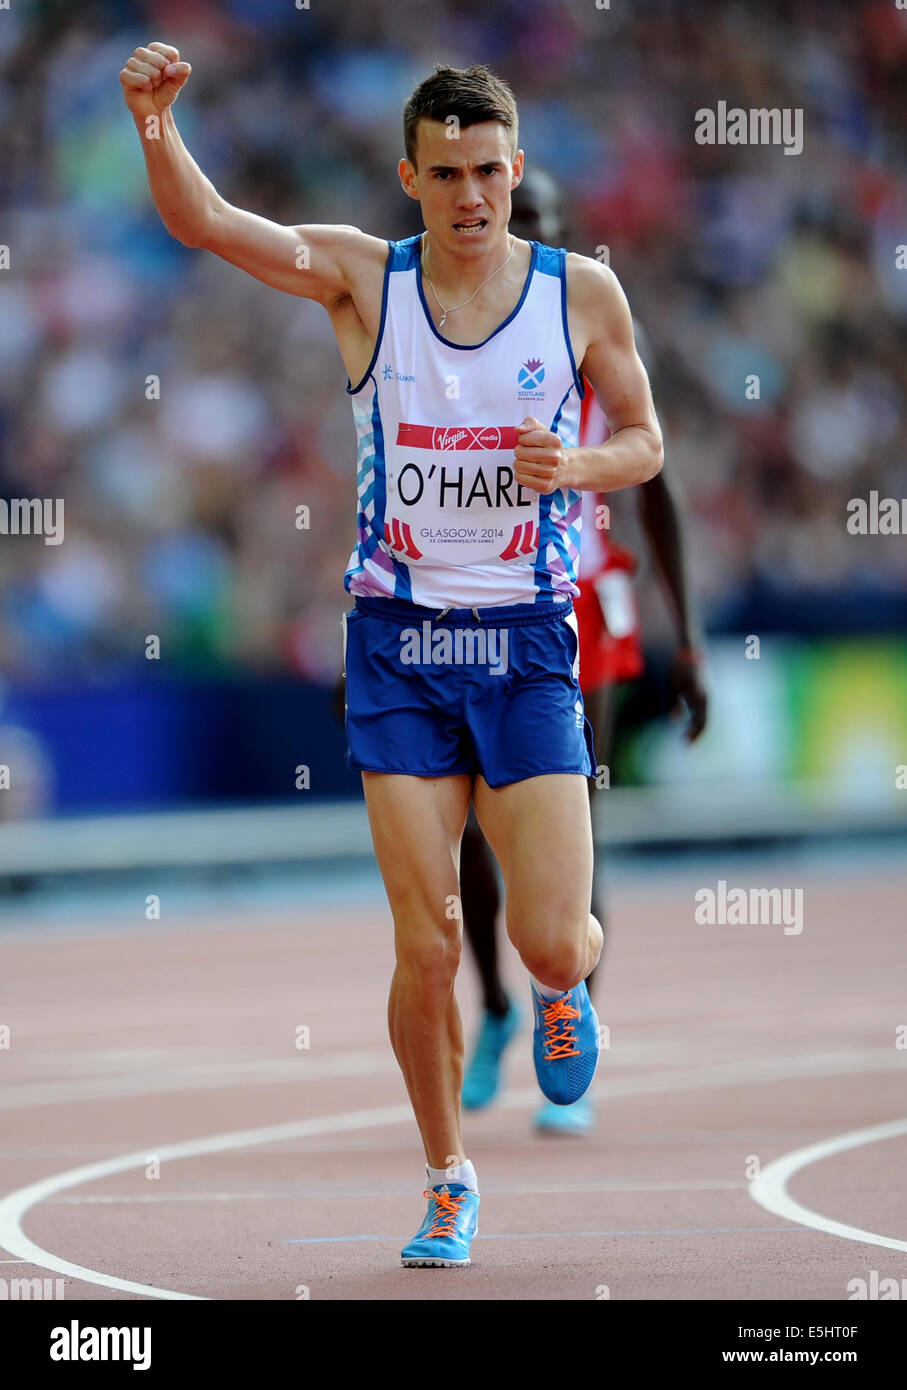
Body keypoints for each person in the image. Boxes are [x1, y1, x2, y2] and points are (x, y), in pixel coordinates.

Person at [121, 49, 664, 1267]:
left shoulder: (582, 295)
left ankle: (562, 989)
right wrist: (156, 126)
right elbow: (205, 223)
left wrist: (575, 466)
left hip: (526, 645)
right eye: (447, 174)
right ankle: (446, 1180)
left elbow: (643, 438)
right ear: (409, 178)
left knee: (550, 935)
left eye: (489, 172)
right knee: (426, 942)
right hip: (400, 645)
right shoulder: (365, 280)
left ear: (516, 170)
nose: (471, 195)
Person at [458, 170, 709, 1135]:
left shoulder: (588, 328)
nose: (516, 229)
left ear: (562, 236)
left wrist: (687, 639)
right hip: (467, 603)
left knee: (572, 823)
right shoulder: (442, 330)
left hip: (579, 604)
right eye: (511, 216)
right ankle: (492, 1006)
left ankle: (572, 1021)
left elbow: (657, 487)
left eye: (537, 220)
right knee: (472, 825)